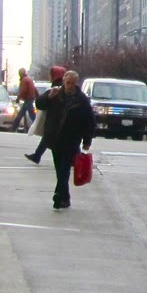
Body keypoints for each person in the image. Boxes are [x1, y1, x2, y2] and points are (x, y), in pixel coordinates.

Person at [47, 70, 95, 211]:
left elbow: (90, 121)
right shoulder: (55, 94)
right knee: (58, 168)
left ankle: (58, 194)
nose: (69, 86)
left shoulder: (82, 100)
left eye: (72, 83)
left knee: (64, 168)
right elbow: (40, 104)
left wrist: (87, 140)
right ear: (63, 82)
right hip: (56, 138)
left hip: (72, 139)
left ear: (76, 83)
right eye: (67, 83)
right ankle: (65, 197)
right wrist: (48, 97)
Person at [26, 68, 65, 163]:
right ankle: (37, 155)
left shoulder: (56, 89)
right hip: (58, 122)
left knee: (50, 139)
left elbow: (40, 103)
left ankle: (37, 156)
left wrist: (49, 97)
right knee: (49, 139)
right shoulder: (63, 88)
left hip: (55, 121)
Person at [10, 67, 38, 133]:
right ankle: (13, 126)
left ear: (20, 74)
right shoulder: (29, 79)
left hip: (28, 99)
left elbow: (23, 91)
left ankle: (37, 127)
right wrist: (38, 96)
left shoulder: (24, 80)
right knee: (21, 113)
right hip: (30, 98)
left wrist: (18, 98)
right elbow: (34, 89)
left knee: (32, 114)